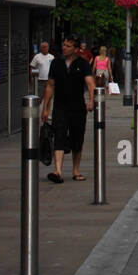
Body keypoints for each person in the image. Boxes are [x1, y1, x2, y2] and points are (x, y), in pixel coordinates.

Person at [42, 35, 96, 183]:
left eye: (68, 46)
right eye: (64, 45)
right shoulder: (56, 63)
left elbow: (90, 83)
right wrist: (45, 107)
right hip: (60, 106)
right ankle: (58, 171)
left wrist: (91, 100)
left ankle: (75, 170)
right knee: (59, 135)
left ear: (76, 49)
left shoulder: (83, 64)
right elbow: (50, 85)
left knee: (77, 139)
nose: (64, 48)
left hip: (78, 107)